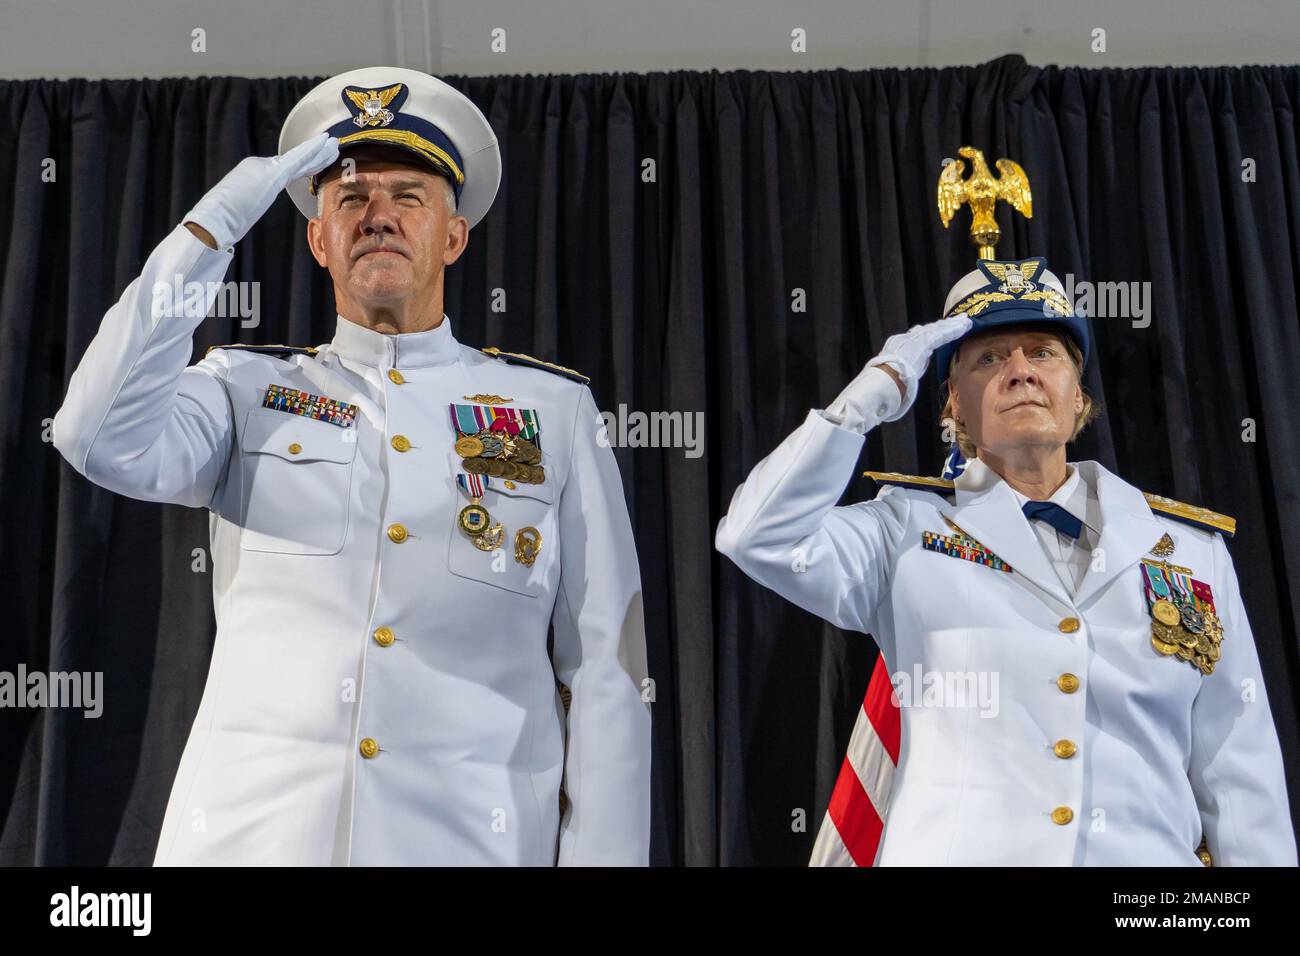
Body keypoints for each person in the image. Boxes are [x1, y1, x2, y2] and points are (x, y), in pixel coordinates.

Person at [51, 66, 651, 866]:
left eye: (409, 197)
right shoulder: (243, 388)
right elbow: (95, 435)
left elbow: (607, 670)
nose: (379, 217)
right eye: (349, 199)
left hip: (469, 844)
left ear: (453, 235)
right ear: (318, 237)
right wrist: (209, 230)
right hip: (252, 844)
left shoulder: (551, 412)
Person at [715, 256, 1296, 866]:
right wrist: (873, 392)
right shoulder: (903, 530)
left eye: (1043, 352)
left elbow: (1239, 769)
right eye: (988, 359)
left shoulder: (1191, 553)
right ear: (953, 406)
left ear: (1079, 397)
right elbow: (756, 535)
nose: (1020, 372)